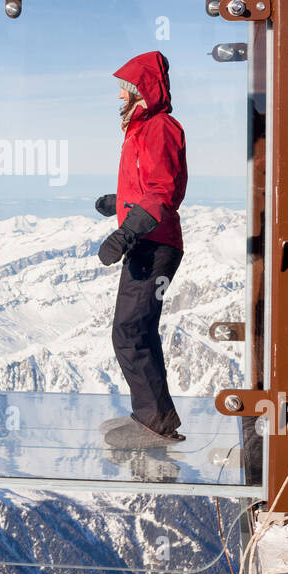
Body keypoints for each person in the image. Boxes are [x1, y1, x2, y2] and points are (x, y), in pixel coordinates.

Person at [94, 50, 188, 449]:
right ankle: (153, 416)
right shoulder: (142, 129)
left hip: (155, 244)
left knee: (129, 331)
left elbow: (164, 191)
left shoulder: (160, 127)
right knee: (138, 329)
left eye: (125, 88)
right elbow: (148, 184)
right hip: (149, 241)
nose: (119, 96)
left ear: (142, 91)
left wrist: (126, 232)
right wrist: (119, 203)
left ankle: (155, 423)